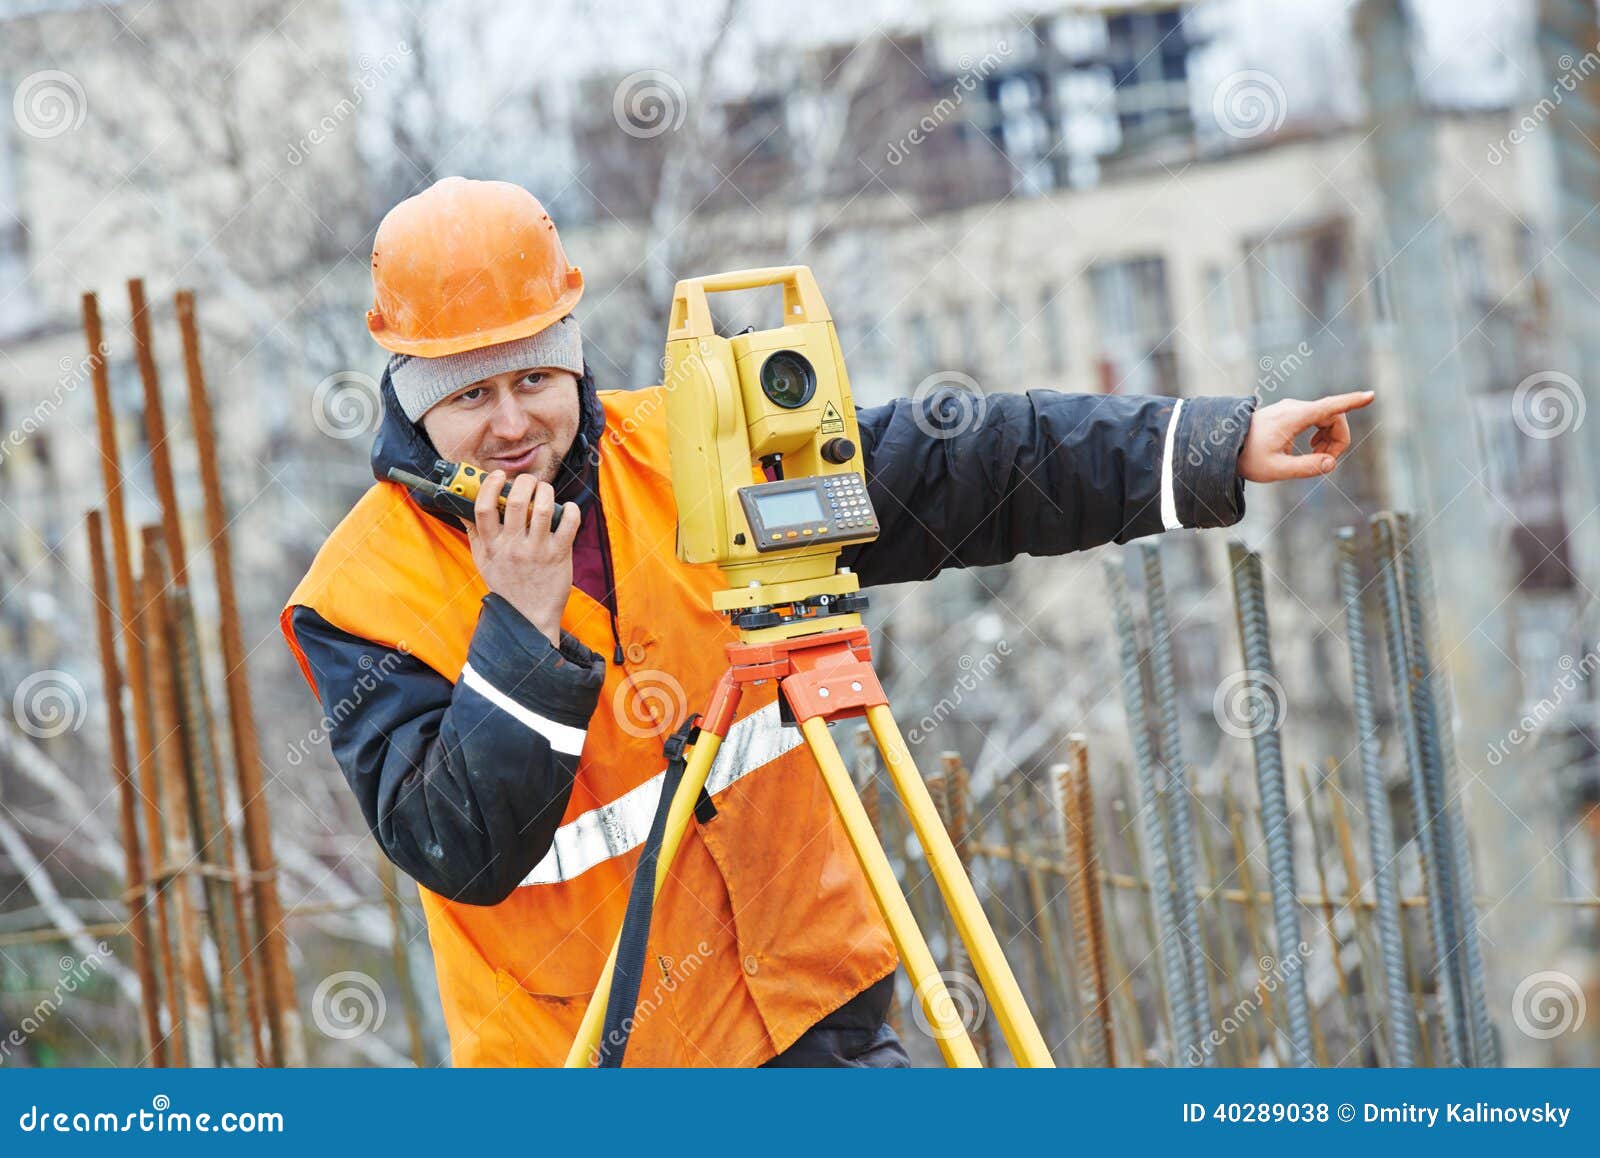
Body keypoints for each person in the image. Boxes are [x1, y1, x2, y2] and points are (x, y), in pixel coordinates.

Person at [281, 176, 1373, 1068]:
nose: (512, 422)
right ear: (414, 397)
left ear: (572, 358)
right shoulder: (361, 591)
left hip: (817, 1016)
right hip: (601, 1069)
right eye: (471, 395)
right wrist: (519, 627)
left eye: (533, 377)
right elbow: (452, 850)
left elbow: (964, 465)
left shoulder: (688, 452)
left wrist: (1206, 446)